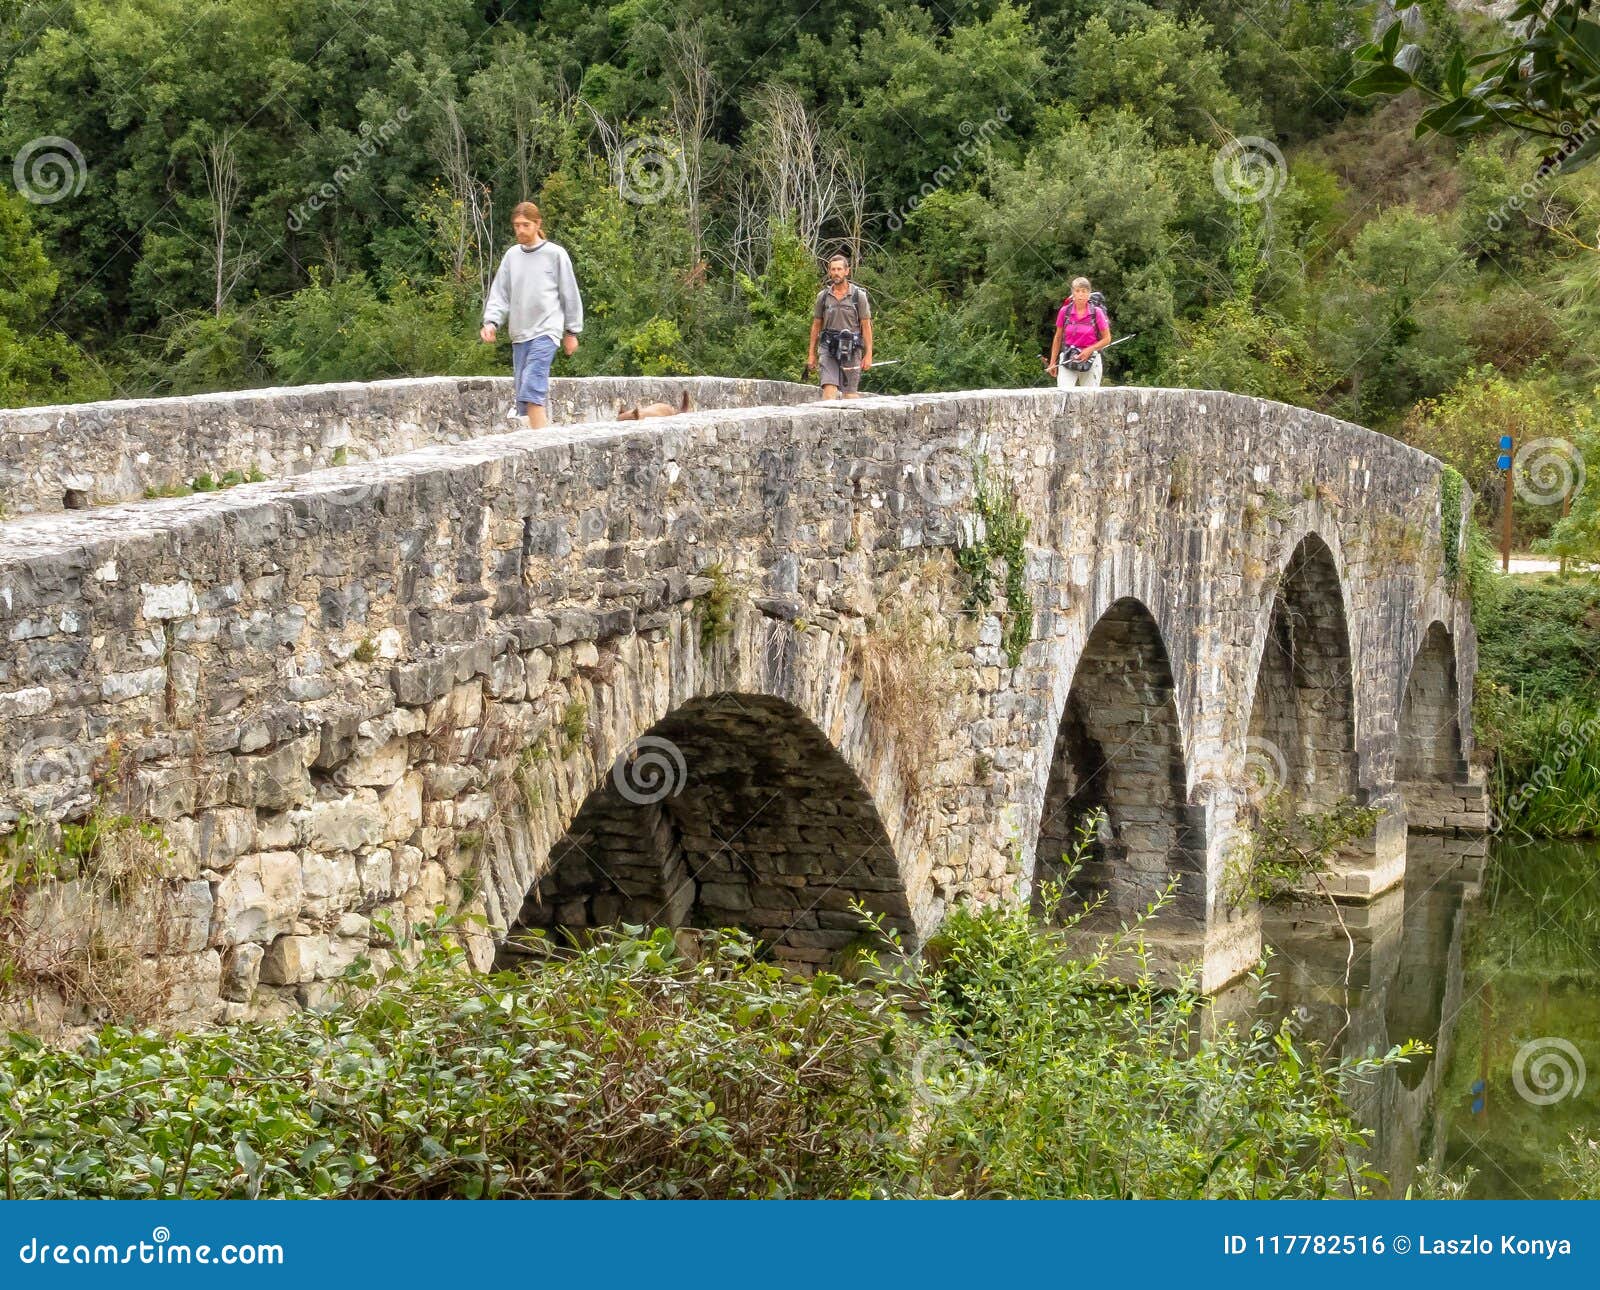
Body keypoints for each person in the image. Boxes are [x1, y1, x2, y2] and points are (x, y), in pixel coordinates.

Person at [480, 201, 583, 429]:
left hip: (547, 331)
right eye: (516, 225)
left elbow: (570, 294)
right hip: (520, 334)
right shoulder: (511, 256)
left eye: (526, 225)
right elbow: (500, 293)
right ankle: (540, 443)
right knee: (523, 400)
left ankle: (543, 448)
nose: (520, 230)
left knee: (531, 387)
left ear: (537, 224)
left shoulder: (555, 254)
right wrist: (491, 323)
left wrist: (572, 331)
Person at [806, 253, 873, 399]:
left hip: (852, 348)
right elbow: (816, 326)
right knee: (829, 390)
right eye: (833, 269)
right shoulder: (823, 297)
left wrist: (868, 354)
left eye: (839, 269)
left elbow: (866, 326)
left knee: (850, 396)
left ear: (847, 271)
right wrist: (811, 354)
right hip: (828, 347)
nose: (836, 273)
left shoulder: (858, 296)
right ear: (829, 272)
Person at [1047, 276, 1111, 390]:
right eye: (1077, 291)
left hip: (1091, 359)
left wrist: (1089, 350)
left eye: (1084, 291)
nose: (1080, 294)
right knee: (1063, 393)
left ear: (1089, 293)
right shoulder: (1064, 311)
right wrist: (1052, 362)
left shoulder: (1097, 313)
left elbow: (1107, 339)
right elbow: (1057, 337)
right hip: (1068, 356)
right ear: (1073, 293)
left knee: (1090, 397)